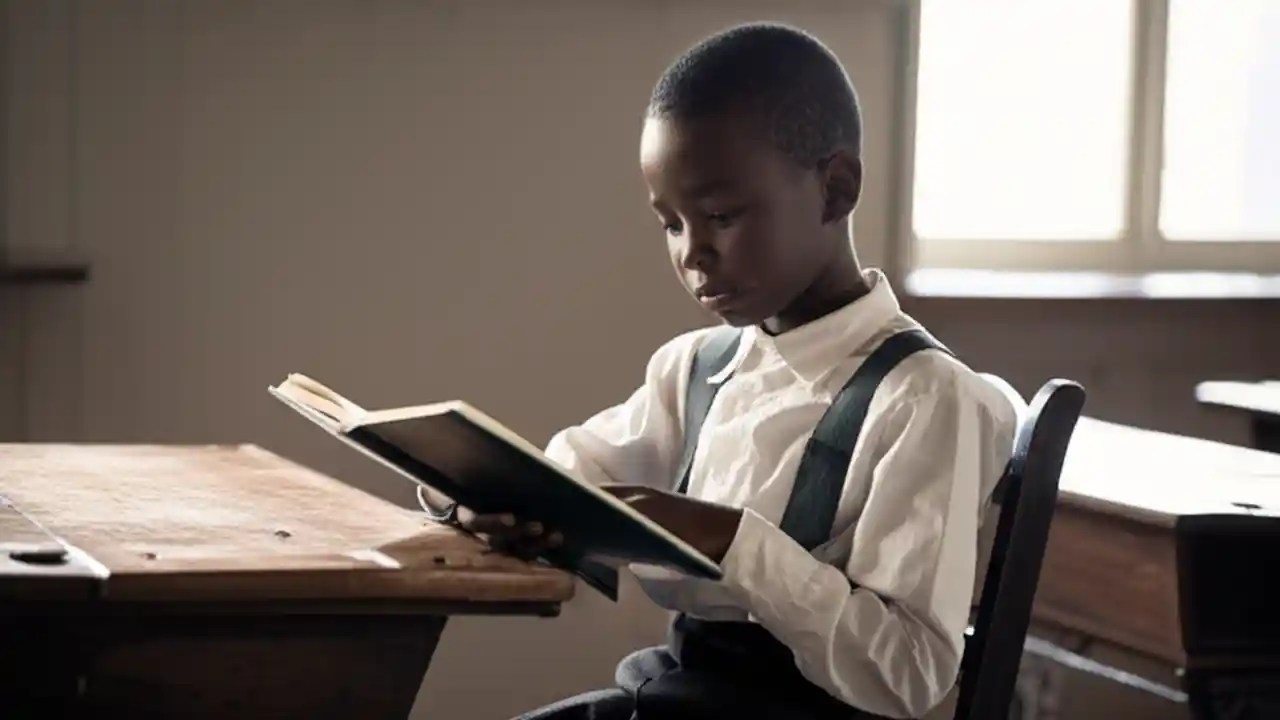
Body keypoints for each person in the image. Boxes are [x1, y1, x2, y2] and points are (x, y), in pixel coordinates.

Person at [449, 22, 1021, 720]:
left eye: (719, 215)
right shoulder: (694, 368)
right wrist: (488, 493)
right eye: (670, 223)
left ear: (836, 189)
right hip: (668, 697)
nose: (693, 254)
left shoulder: (925, 397)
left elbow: (909, 671)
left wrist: (728, 539)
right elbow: (575, 473)